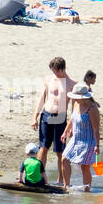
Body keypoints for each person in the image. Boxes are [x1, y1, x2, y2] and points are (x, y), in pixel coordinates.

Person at [31, 57, 73, 188]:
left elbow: (74, 107)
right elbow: (42, 98)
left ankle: (61, 181)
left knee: (60, 151)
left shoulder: (71, 84)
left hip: (60, 118)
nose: (55, 74)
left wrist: (71, 127)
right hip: (46, 115)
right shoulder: (48, 79)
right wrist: (35, 117)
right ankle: (38, 178)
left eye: (57, 71)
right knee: (43, 148)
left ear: (63, 69)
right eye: (53, 71)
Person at [60, 83, 100, 191]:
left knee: (85, 167)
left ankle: (87, 191)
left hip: (88, 141)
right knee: (64, 159)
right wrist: (65, 132)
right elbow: (72, 119)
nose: (75, 99)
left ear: (84, 97)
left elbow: (96, 129)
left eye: (76, 97)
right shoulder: (76, 104)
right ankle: (66, 186)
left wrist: (97, 145)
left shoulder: (93, 109)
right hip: (75, 139)